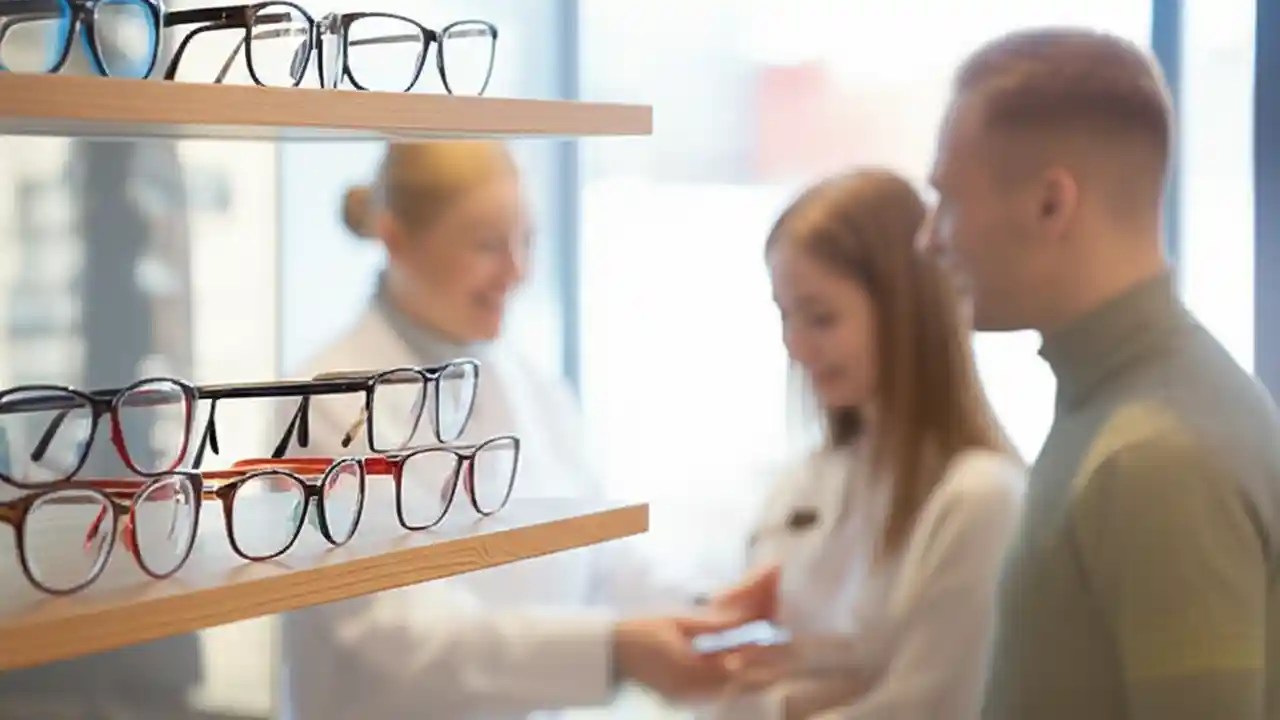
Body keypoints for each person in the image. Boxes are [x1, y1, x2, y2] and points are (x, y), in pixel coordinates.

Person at [277, 140, 735, 720]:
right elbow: (398, 631)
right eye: (488, 245)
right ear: (395, 239)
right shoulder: (326, 404)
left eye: (528, 241)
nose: (517, 272)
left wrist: (708, 609)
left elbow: (601, 560)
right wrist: (615, 649)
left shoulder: (528, 382)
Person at [920, 28, 1280, 720]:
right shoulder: (1135, 405)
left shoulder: (1154, 456)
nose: (929, 236)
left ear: (1052, 203)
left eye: (948, 199)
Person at [691, 169, 1025, 719]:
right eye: (785, 316)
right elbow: (727, 684)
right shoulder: (807, 481)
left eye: (821, 318)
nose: (796, 347)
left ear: (904, 309)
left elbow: (925, 709)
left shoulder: (981, 497)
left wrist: (779, 703)